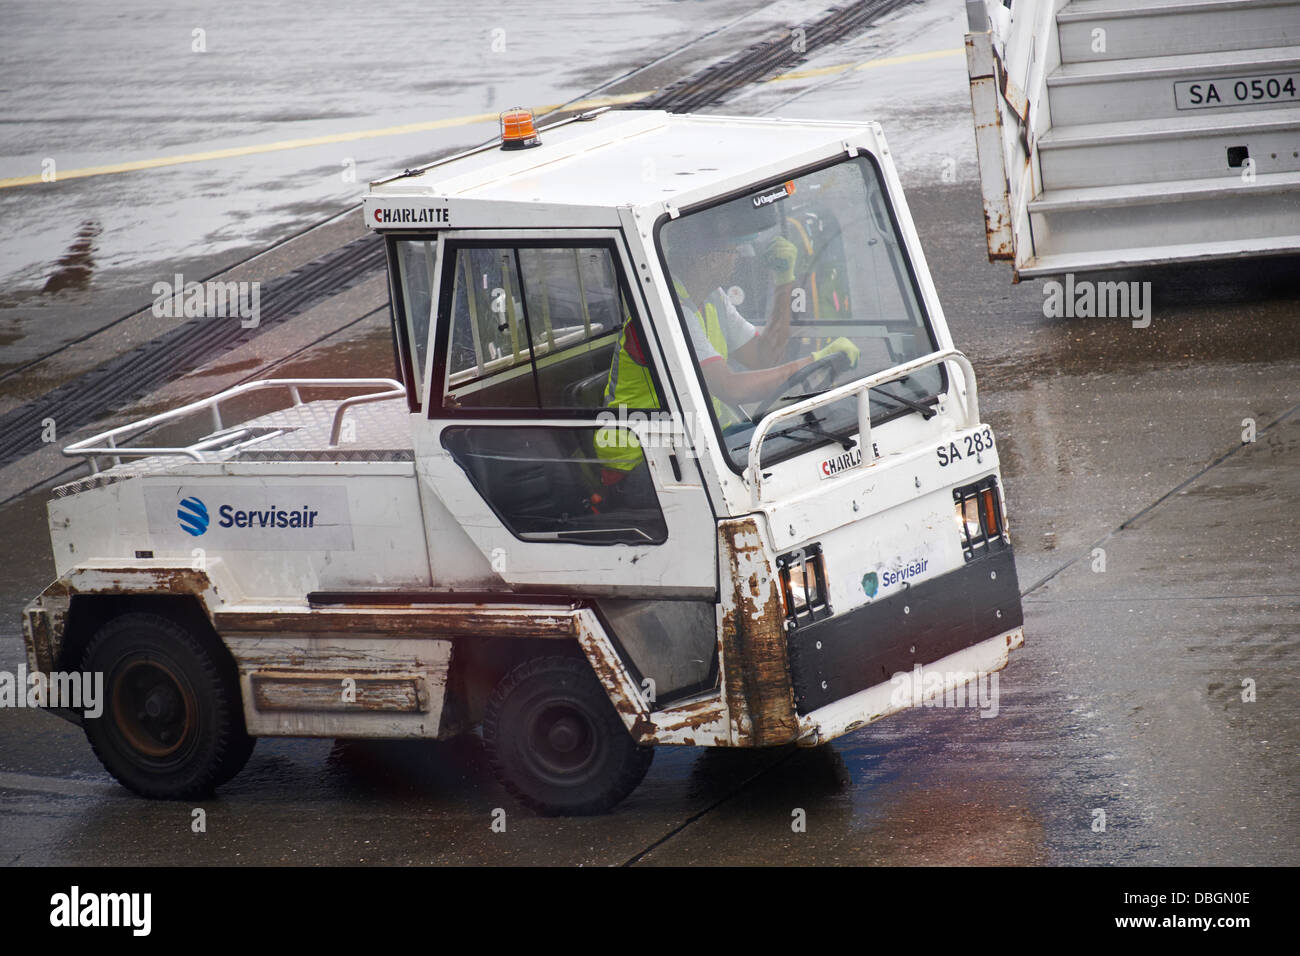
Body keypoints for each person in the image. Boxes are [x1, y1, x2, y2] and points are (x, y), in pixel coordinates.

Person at [596, 206, 860, 480]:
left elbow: (764, 356)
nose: (738, 258)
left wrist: (784, 281)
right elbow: (732, 388)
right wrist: (815, 361)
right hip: (638, 460)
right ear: (708, 258)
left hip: (692, 441)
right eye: (733, 250)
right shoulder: (669, 310)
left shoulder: (713, 299)